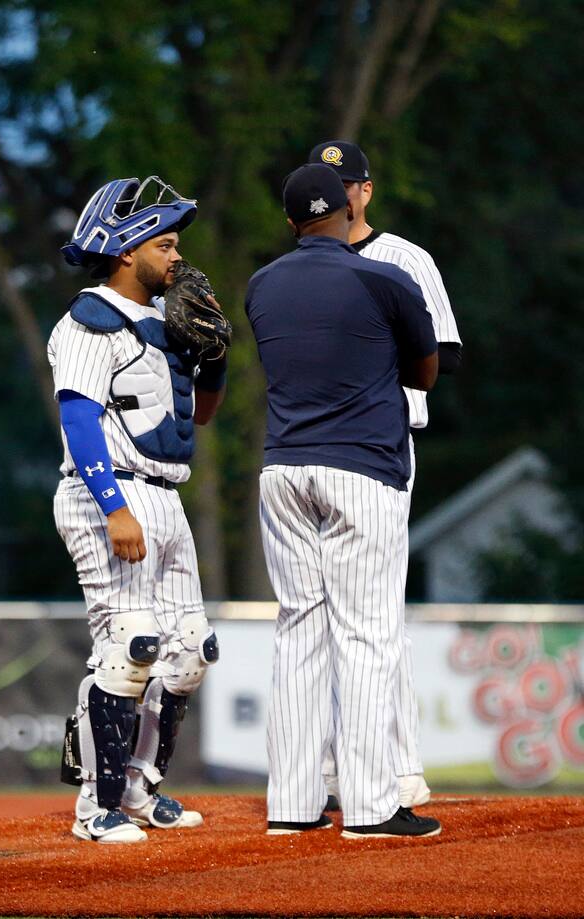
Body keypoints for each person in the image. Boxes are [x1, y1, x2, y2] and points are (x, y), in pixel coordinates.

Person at [246, 163, 442, 838]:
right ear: (347, 213)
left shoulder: (262, 284)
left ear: (292, 218)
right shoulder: (385, 277)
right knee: (367, 633)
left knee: (299, 630)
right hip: (361, 466)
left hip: (283, 468)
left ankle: (293, 806)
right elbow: (426, 370)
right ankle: (370, 806)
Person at [51, 176, 226, 843]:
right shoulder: (89, 319)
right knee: (132, 647)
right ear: (126, 251)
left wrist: (213, 361)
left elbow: (201, 416)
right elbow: (79, 417)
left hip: (166, 493)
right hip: (111, 491)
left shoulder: (165, 320)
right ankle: (96, 807)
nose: (177, 257)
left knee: (189, 652)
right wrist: (112, 505)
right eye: (167, 243)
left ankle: (140, 788)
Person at [308, 140, 463, 812]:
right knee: (316, 613)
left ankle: (399, 767)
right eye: (325, 183)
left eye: (346, 183)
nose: (339, 194)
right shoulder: (305, 266)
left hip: (383, 442)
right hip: (311, 444)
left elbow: (447, 352)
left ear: (366, 190)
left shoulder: (405, 258)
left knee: (373, 608)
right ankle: (330, 767)